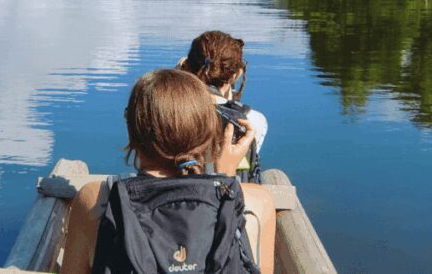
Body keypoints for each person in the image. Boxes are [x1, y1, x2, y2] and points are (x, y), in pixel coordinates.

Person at [62, 69, 275, 274]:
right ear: (207, 132)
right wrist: (224, 180)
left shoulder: (96, 200)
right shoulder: (258, 202)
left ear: (132, 130)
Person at [179, 31, 267, 182]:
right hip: (231, 194)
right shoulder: (253, 119)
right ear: (236, 75)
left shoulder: (170, 109)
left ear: (186, 67)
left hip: (175, 195)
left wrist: (180, 77)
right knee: (275, 175)